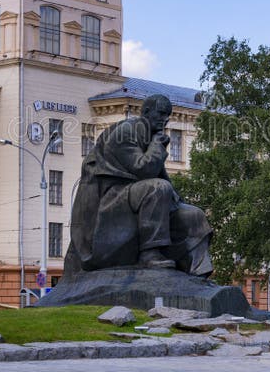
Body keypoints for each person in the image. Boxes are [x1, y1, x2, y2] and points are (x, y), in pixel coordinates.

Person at [69, 94, 213, 277]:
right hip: (111, 198)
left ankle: (198, 273)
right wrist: (157, 146)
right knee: (158, 188)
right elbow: (144, 170)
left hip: (136, 197)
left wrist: (177, 203)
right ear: (146, 111)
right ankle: (150, 253)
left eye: (167, 115)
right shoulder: (125, 132)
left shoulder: (150, 136)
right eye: (161, 114)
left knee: (194, 214)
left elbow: (162, 176)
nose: (165, 119)